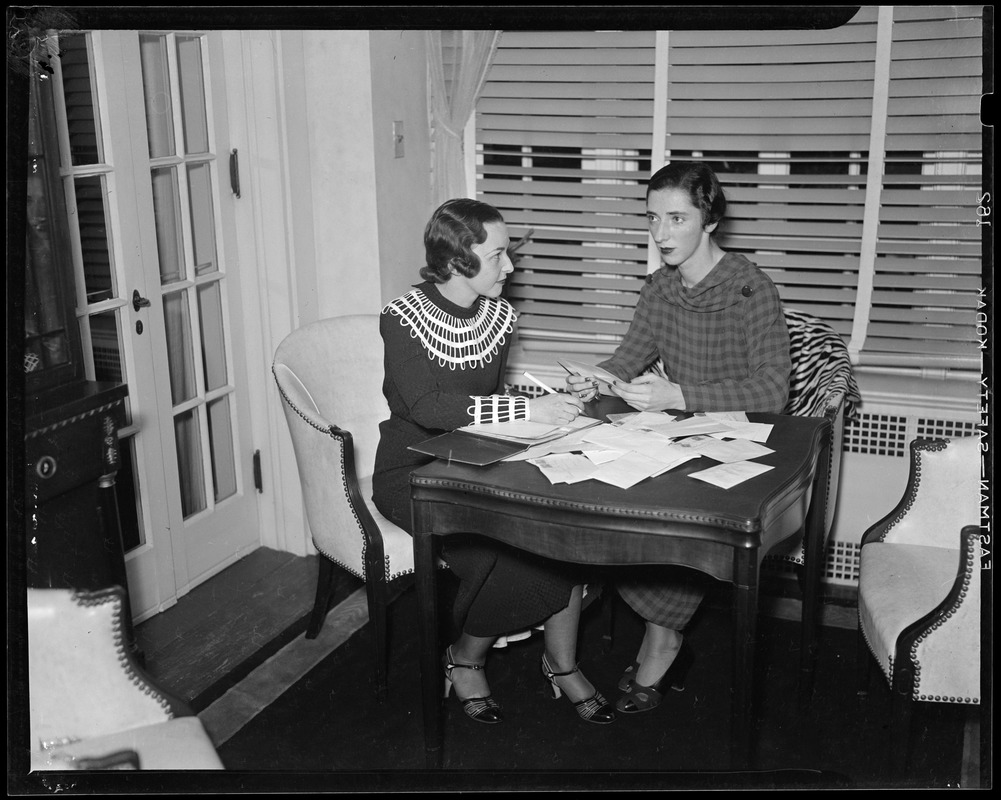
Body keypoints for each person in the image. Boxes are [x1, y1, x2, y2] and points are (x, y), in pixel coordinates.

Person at [373, 198, 615, 726]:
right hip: (413, 473)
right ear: (460, 260)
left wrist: (557, 398)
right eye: (500, 254)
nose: (511, 267)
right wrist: (527, 408)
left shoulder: (499, 315)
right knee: (518, 555)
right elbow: (429, 407)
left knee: (550, 538)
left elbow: (488, 396)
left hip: (476, 462)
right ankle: (468, 659)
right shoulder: (403, 316)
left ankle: (508, 657)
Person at [566, 161, 792, 714]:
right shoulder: (660, 288)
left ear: (709, 220)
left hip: (742, 443)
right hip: (679, 436)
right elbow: (628, 357)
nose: (660, 234)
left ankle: (664, 637)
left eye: (676, 219)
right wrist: (597, 376)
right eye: (652, 218)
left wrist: (680, 397)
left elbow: (773, 390)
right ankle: (662, 629)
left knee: (679, 515)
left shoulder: (750, 290)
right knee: (610, 503)